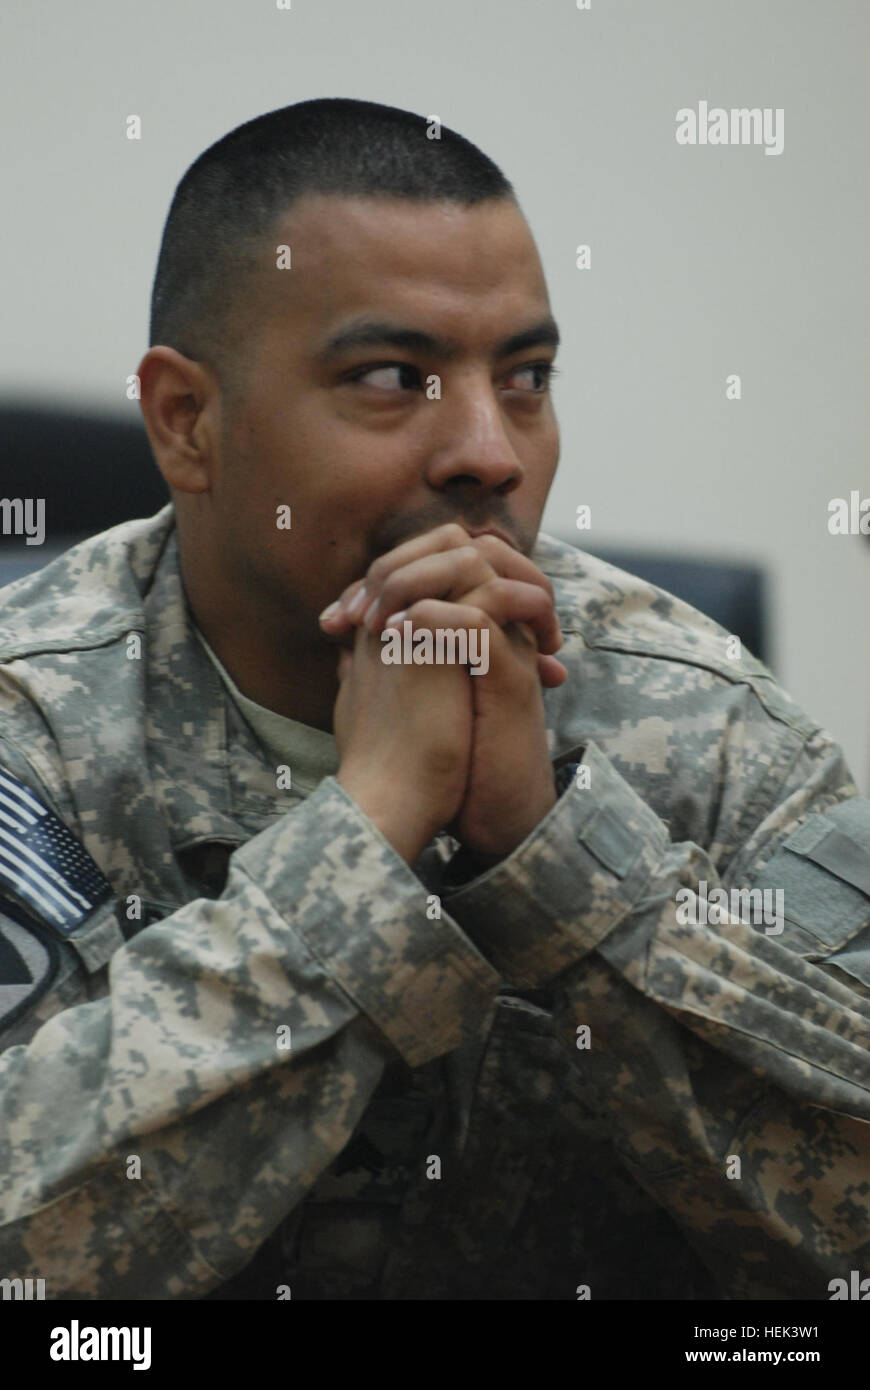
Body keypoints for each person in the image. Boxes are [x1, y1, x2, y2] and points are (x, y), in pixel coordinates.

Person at [0, 96, 868, 1301]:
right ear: (185, 420)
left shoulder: (705, 723)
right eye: (396, 376)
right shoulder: (23, 725)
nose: (490, 450)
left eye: (525, 377)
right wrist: (365, 829)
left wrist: (564, 863)